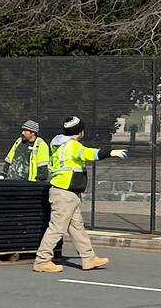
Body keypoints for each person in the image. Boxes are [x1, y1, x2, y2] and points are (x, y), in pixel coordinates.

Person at [32, 116, 128, 274]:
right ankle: (42, 260)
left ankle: (88, 258)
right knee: (57, 228)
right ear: (80, 132)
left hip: (66, 192)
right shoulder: (72, 146)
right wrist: (111, 152)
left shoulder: (59, 144)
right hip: (65, 192)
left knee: (77, 228)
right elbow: (90, 153)